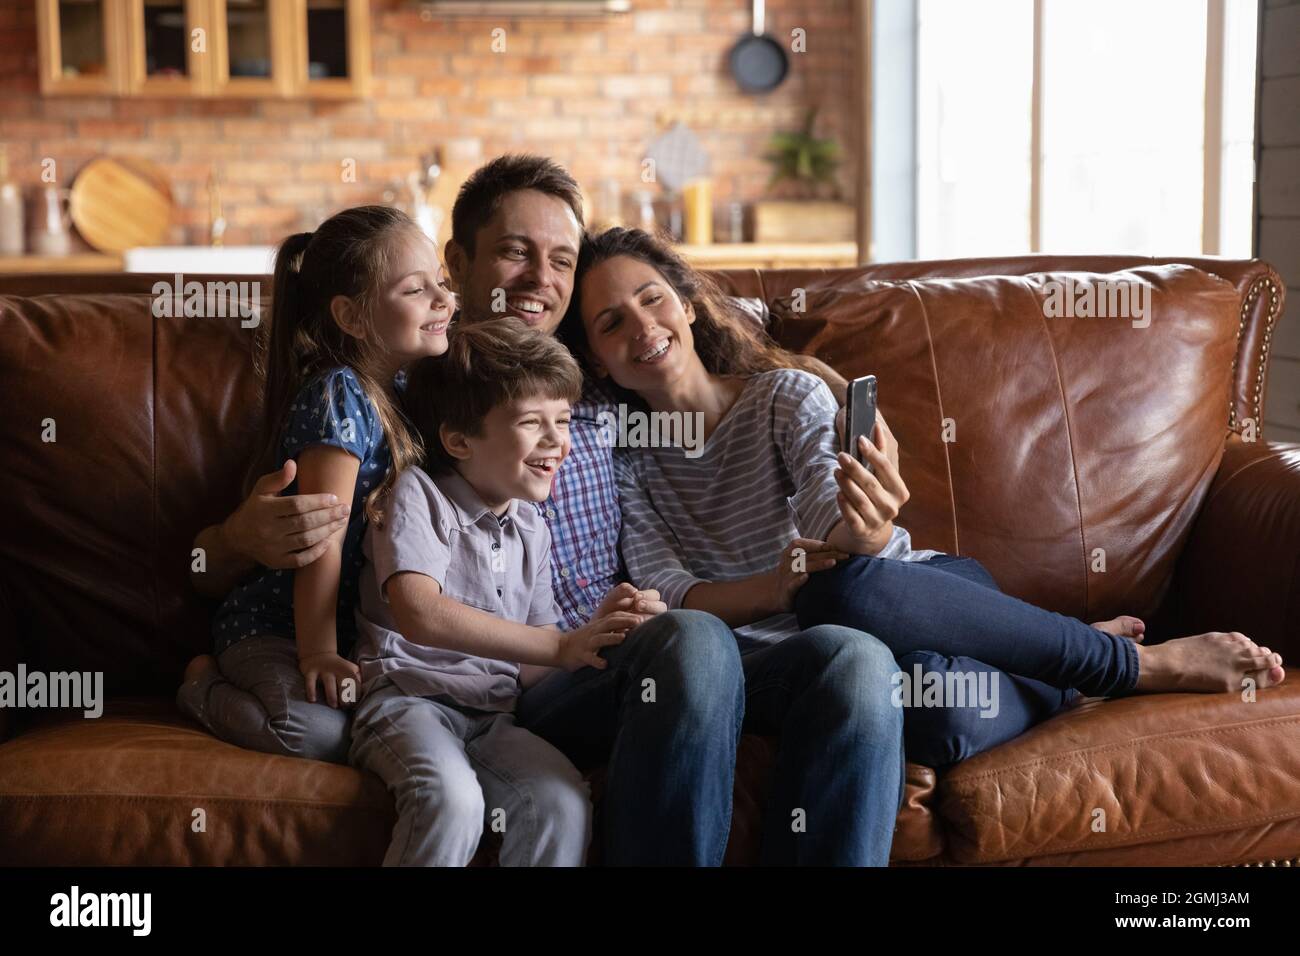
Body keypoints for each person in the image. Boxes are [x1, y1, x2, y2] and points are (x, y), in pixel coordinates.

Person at [561, 225, 1288, 770]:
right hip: (825, 651)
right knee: (937, 725)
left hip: (913, 593)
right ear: (597, 356)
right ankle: (1063, 669)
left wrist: (864, 532)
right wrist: (782, 589)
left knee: (840, 593)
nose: (641, 326)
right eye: (611, 322)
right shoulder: (622, 457)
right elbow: (675, 592)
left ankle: (1134, 667)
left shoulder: (785, 395)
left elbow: (837, 531)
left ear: (688, 306)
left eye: (650, 298)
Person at [350, 318, 636, 866]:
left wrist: (597, 630)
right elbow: (419, 613)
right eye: (532, 422)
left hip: (492, 718)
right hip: (409, 701)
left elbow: (534, 665)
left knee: (562, 804)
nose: (557, 441)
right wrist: (555, 646)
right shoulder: (419, 495)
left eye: (564, 419)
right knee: (451, 801)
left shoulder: (534, 527)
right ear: (459, 439)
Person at [178, 205, 454, 763]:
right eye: (415, 290)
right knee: (315, 735)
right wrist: (318, 655)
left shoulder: (408, 387)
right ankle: (200, 686)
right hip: (275, 627)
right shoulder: (341, 395)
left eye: (442, 284)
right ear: (351, 317)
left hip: (354, 631)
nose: (444, 300)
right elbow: (319, 540)